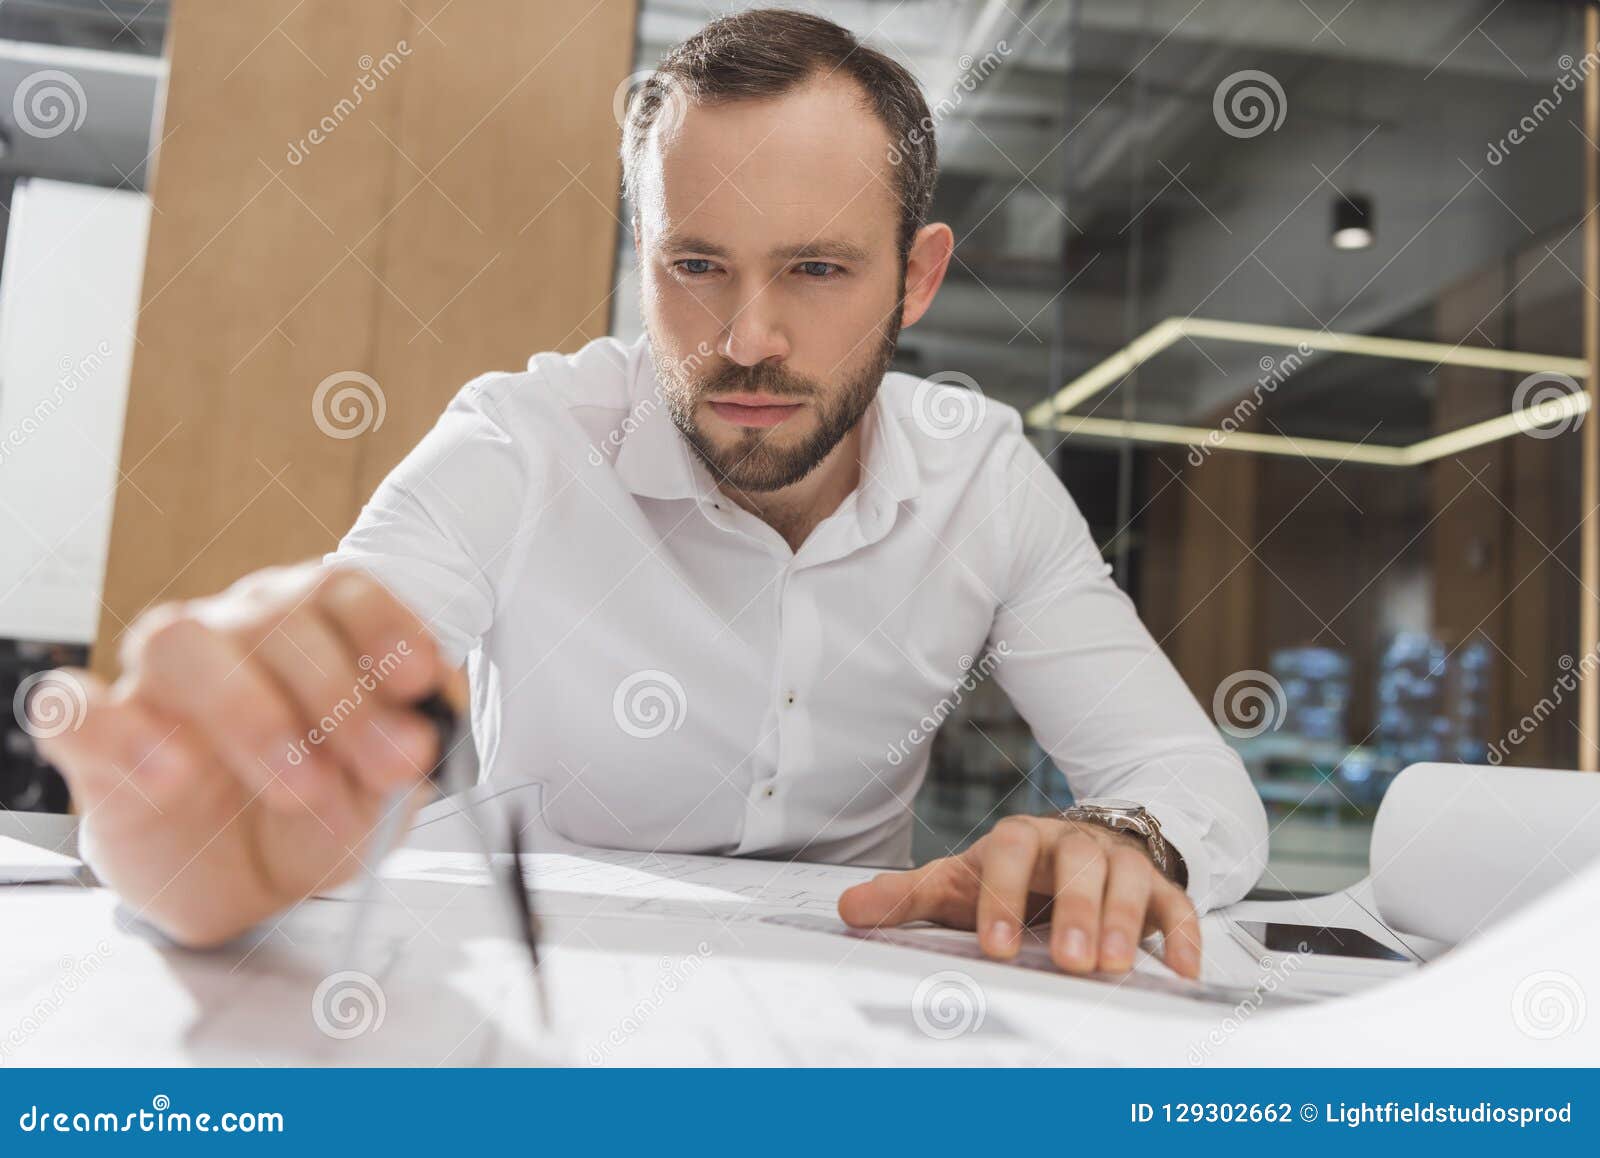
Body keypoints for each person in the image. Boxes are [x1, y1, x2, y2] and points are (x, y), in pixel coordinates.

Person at [36, 8, 1267, 978]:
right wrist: (198, 824)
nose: (748, 339)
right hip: (545, 992)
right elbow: (321, 687)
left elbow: (1194, 787)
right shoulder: (521, 439)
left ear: (917, 278)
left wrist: (1123, 842)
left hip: (853, 1000)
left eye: (819, 269)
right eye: (696, 265)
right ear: (644, 259)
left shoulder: (983, 479)